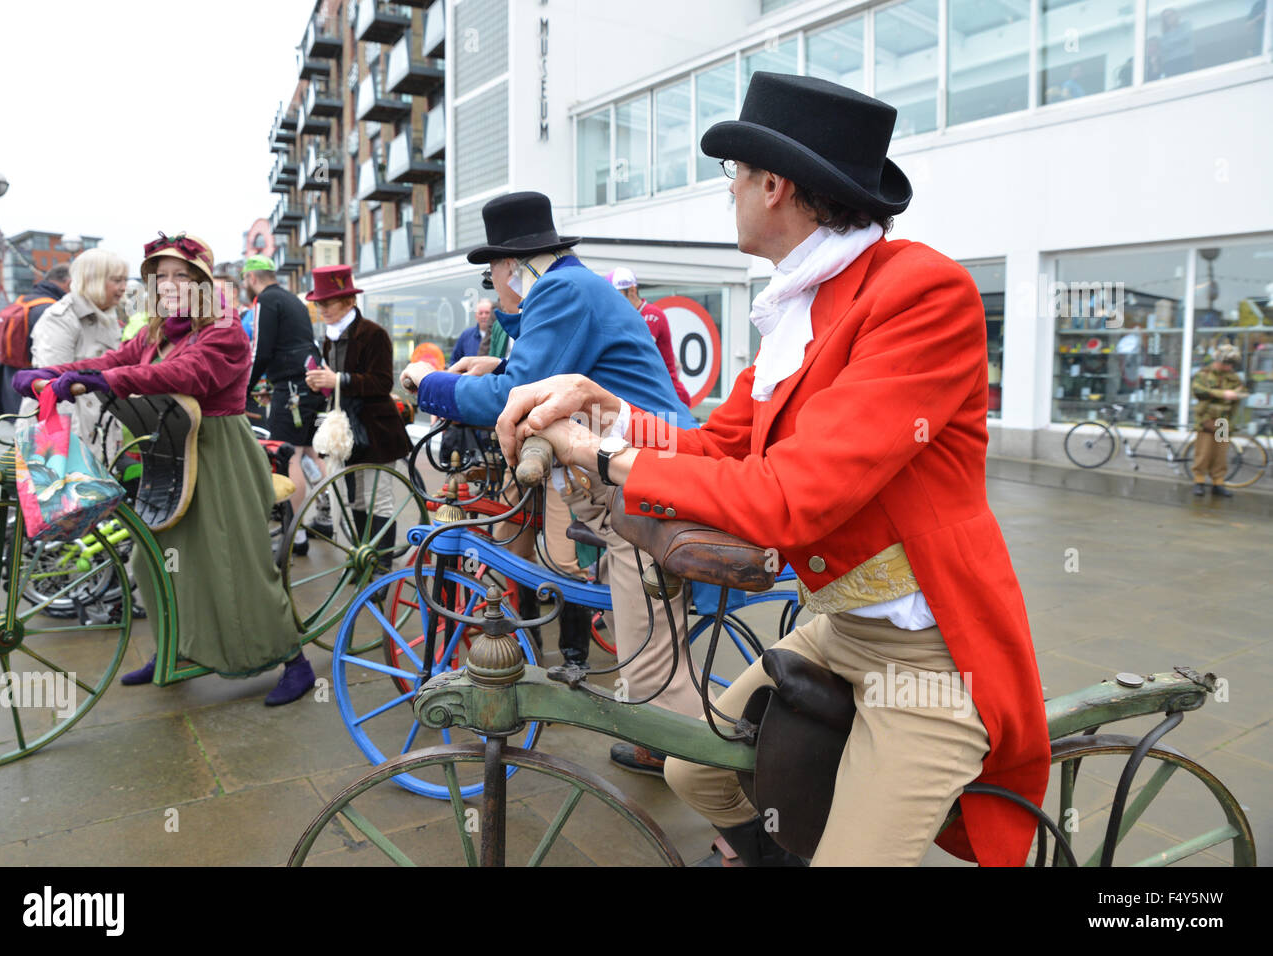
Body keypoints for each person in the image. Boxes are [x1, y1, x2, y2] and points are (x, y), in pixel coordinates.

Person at [495, 73, 1049, 866]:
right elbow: (724, 446)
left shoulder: (920, 293)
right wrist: (607, 408)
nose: (731, 194)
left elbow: (790, 497)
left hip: (929, 656)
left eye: (734, 177)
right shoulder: (801, 303)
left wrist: (602, 455)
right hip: (841, 625)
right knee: (696, 772)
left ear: (773, 184)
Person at [400, 191, 703, 776]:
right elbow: (535, 378)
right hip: (637, 476)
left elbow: (508, 399)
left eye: (492, 275)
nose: (493, 287)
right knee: (643, 640)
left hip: (644, 488)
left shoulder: (563, 291)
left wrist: (427, 383)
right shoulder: (575, 288)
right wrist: (499, 366)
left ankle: (729, 809)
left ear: (513, 266)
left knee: (651, 668)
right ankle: (662, 745)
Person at [12, 232, 315, 704]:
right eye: (160, 276)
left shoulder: (223, 327)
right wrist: (56, 374)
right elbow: (116, 358)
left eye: (181, 275)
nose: (170, 284)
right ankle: (177, 648)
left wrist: (97, 381)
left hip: (219, 454)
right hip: (168, 453)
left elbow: (185, 374)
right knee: (153, 560)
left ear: (201, 280)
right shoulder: (157, 330)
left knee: (235, 566)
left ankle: (292, 659)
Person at [303, 264, 409, 562]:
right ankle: (365, 555)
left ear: (350, 301)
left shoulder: (374, 334)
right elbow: (335, 386)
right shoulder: (329, 337)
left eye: (327, 302)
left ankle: (382, 565)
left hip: (377, 430)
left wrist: (337, 380)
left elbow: (382, 382)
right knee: (358, 498)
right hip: (348, 429)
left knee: (380, 498)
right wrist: (319, 384)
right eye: (318, 303)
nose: (322, 308)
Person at [244, 254, 324, 551]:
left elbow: (260, 350)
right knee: (309, 453)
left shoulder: (265, 301)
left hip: (291, 389)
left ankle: (296, 535)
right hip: (309, 383)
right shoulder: (294, 300)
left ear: (252, 278)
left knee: (289, 457)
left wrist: (245, 388)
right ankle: (325, 513)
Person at [30, 250, 128, 460]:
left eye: (125, 280)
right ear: (93, 280)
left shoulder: (107, 315)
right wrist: (71, 447)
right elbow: (53, 385)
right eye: (117, 280)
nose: (123, 288)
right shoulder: (60, 318)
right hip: (68, 429)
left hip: (96, 425)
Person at [0, 264, 70, 418]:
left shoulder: (23, 301)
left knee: (19, 436)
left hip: (10, 382)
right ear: (68, 283)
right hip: (34, 386)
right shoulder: (51, 310)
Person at [607, 267, 693, 407]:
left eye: (617, 294)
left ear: (633, 291)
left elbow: (635, 354)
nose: (613, 301)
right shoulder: (627, 317)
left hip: (667, 396)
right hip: (652, 395)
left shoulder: (651, 315)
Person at [1190, 343, 1247, 497]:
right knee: (1204, 452)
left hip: (1223, 421)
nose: (1229, 367)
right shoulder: (1204, 374)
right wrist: (1224, 394)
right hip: (1207, 419)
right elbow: (1198, 391)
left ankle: (1218, 483)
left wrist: (1237, 395)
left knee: (1220, 454)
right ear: (1219, 361)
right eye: (1227, 363)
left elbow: (1243, 392)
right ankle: (1199, 481)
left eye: (1231, 364)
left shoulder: (1234, 377)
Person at [449, 298, 492, 365]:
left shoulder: (500, 336)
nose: (484, 316)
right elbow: (454, 361)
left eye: (487, 313)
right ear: (476, 316)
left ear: (493, 315)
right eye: (480, 313)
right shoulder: (466, 335)